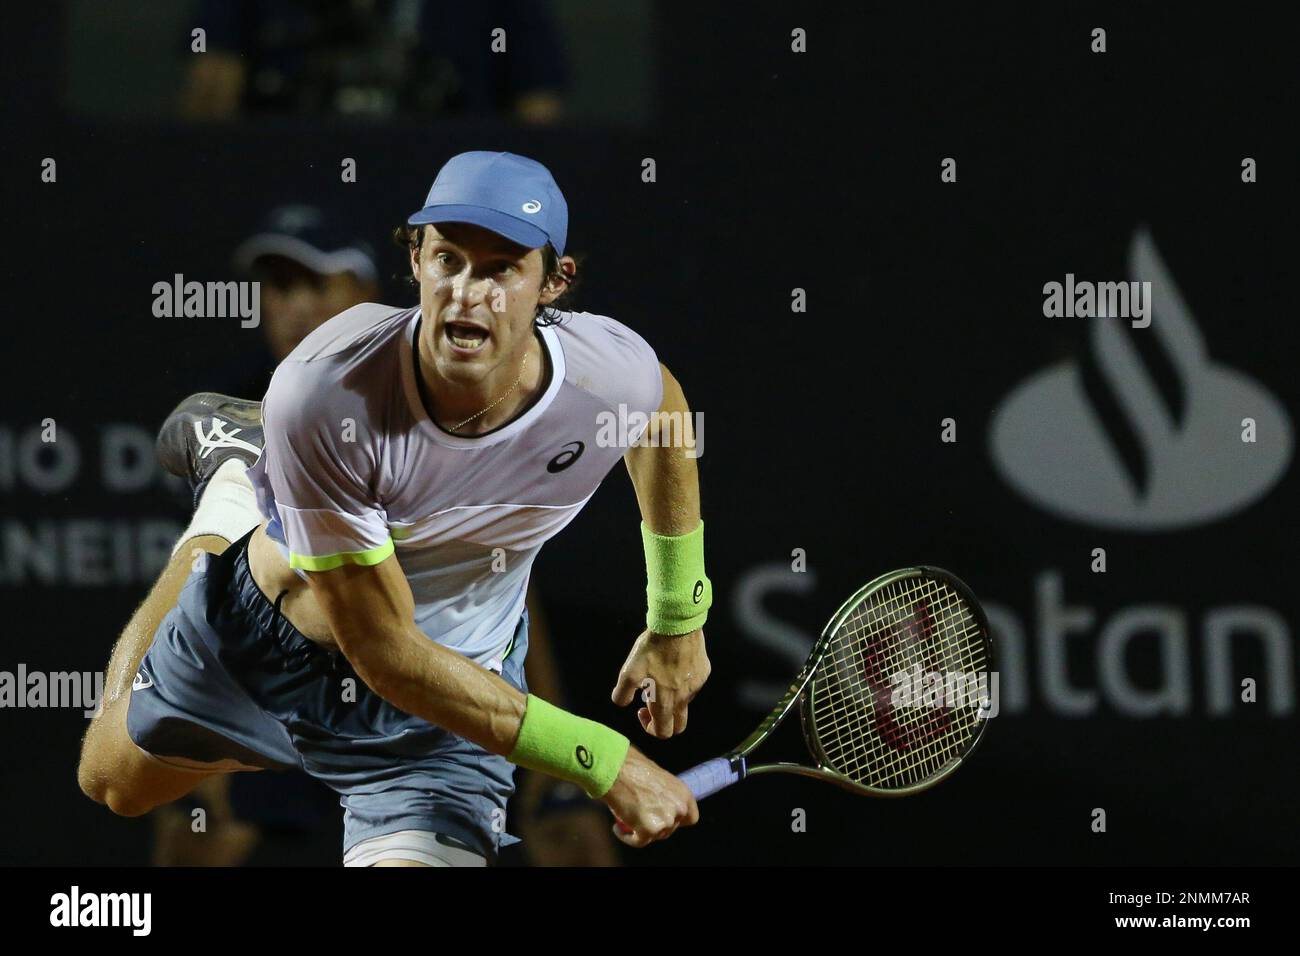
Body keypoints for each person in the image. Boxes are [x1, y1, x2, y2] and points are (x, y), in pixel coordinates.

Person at [79, 150, 711, 865]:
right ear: (415, 259)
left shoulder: (606, 371)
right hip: (271, 644)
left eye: (502, 268)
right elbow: (384, 651)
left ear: (554, 284)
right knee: (112, 783)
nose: (469, 294)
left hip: (448, 697)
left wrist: (678, 619)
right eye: (450, 260)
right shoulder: (323, 392)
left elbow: (665, 417)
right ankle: (225, 504)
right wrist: (601, 759)